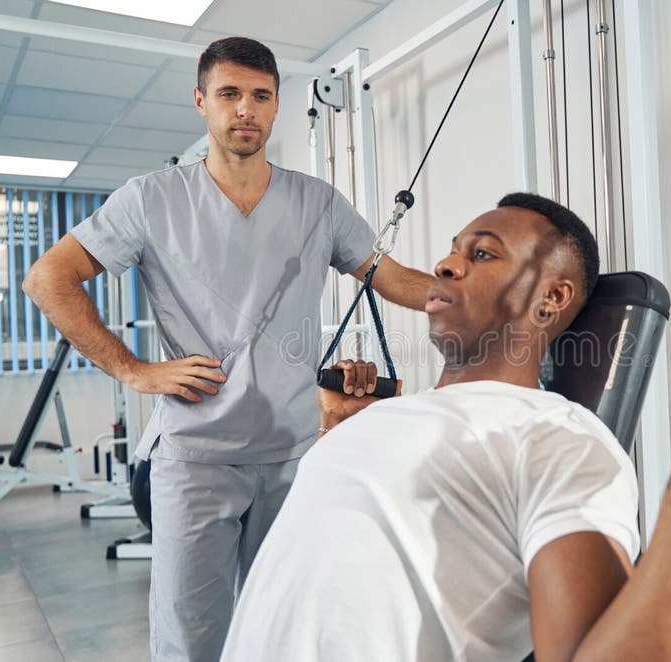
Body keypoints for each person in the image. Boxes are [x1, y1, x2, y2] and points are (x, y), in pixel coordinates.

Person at [220, 193, 671, 661]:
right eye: (451, 251)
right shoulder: (387, 414)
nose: (444, 265)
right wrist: (332, 432)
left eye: (483, 255)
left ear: (551, 299)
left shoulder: (558, 437)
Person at [22, 37, 434, 662]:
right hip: (197, 458)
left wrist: (490, 294)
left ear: (275, 108)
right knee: (192, 641)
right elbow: (48, 278)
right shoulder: (151, 199)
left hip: (293, 458)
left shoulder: (317, 201)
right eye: (230, 94)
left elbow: (394, 279)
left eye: (261, 96)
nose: (246, 109)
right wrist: (133, 370)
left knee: (291, 633)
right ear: (202, 102)